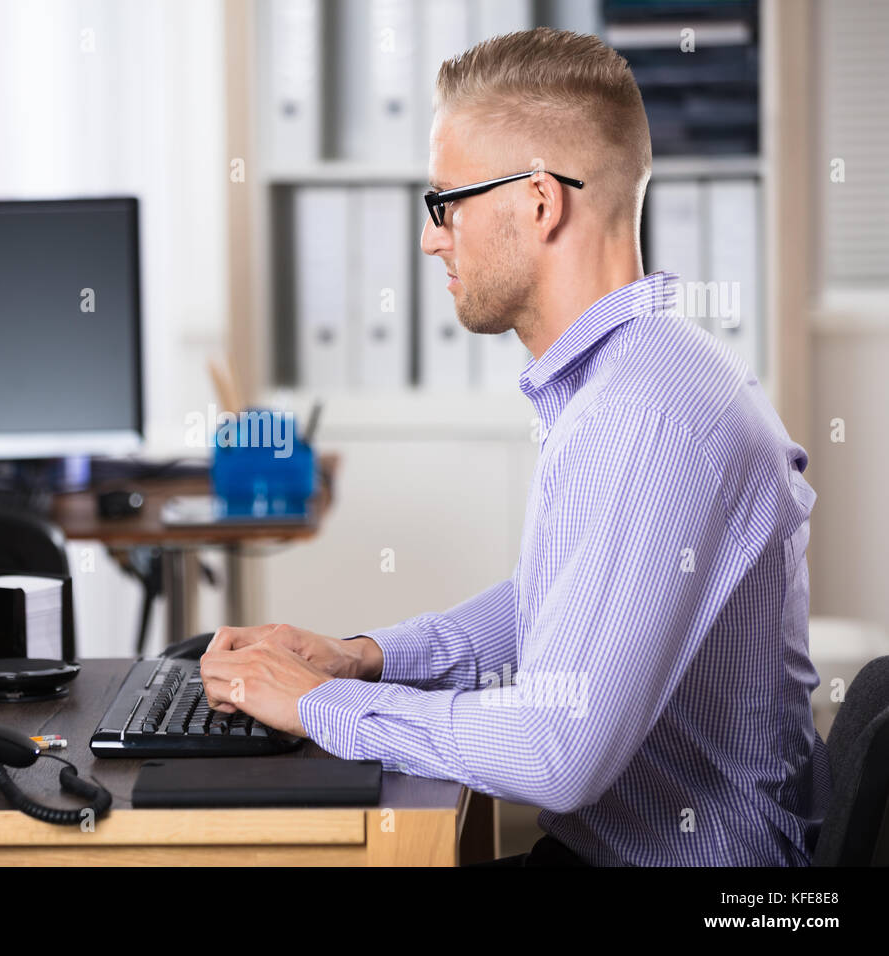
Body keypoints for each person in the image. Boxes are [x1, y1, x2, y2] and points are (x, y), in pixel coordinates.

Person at [200, 28, 830, 866]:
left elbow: (555, 755)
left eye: (445, 201)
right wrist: (364, 659)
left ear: (539, 200)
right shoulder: (630, 377)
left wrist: (318, 705)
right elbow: (548, 602)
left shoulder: (644, 416)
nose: (432, 238)